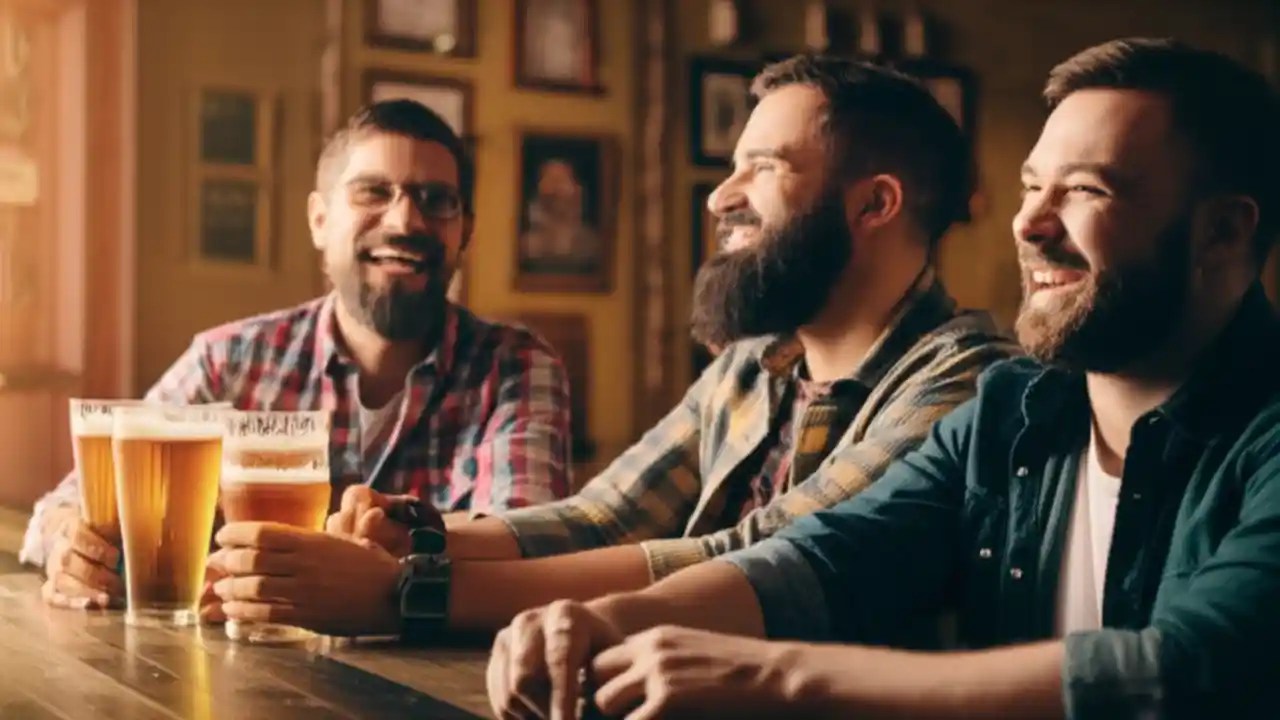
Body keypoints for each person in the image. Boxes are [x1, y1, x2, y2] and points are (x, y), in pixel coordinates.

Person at [486, 37, 1280, 719]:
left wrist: (776, 677)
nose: (1029, 223)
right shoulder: (1012, 414)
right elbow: (824, 557)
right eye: (1032, 185)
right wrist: (610, 620)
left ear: (1222, 230)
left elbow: (1185, 670)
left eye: (1086, 190)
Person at [205, 55, 1017, 636]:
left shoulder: (966, 383)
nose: (720, 196)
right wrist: (415, 530)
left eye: (760, 168)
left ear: (875, 205)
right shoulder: (754, 363)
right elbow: (608, 515)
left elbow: (749, 556)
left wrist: (408, 590)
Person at [24, 100, 573, 611]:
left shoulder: (516, 369)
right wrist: (72, 547)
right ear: (318, 220)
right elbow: (58, 510)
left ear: (465, 232)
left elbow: (531, 546)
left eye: (437, 200)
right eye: (373, 192)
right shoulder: (229, 360)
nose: (405, 222)